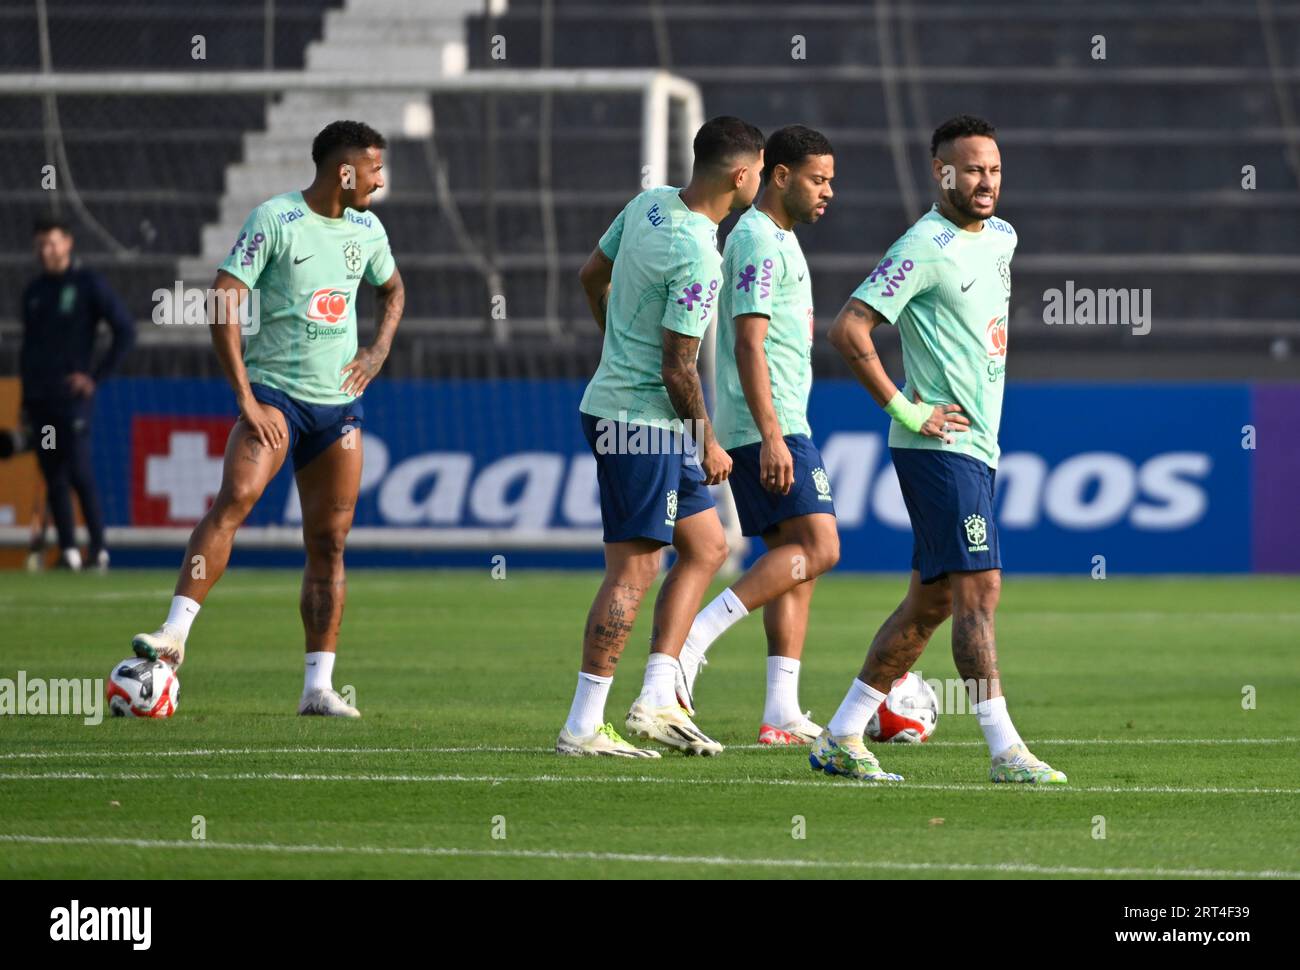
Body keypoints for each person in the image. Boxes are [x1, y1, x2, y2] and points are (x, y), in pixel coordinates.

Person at [815, 115, 1067, 784]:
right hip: (939, 448)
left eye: (994, 169)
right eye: (971, 169)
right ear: (941, 173)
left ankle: (841, 734)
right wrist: (906, 407)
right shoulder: (922, 246)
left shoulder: (1002, 238)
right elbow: (849, 328)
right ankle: (1005, 749)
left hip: (979, 447)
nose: (985, 182)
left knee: (929, 604)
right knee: (979, 587)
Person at [130, 120, 405, 718]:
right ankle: (174, 633)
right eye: (375, 168)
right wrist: (246, 399)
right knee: (237, 498)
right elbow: (224, 299)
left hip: (338, 410)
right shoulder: (275, 220)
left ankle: (317, 687)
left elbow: (394, 290)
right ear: (344, 171)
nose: (380, 181)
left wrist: (377, 351)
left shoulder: (368, 228)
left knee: (329, 543)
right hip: (276, 397)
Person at [557, 116, 765, 757]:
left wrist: (617, 341)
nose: (758, 179)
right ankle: (583, 724)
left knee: (706, 544)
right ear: (740, 175)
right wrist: (706, 441)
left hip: (636, 411)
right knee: (637, 567)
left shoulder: (647, 204)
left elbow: (593, 275)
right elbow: (678, 367)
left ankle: (656, 700)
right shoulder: (701, 253)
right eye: (758, 169)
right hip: (639, 425)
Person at [674, 125, 840, 746]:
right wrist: (771, 435)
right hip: (769, 426)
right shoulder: (755, 241)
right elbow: (748, 342)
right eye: (818, 180)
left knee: (798, 564)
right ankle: (695, 638)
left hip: (780, 420)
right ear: (780, 175)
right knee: (822, 547)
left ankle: (781, 711)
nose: (828, 193)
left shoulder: (778, 239)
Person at [19, 218, 135, 572]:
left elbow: (125, 331)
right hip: (43, 402)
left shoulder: (87, 284)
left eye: (53, 243)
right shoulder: (35, 292)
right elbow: (29, 349)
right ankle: (69, 551)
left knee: (80, 470)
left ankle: (98, 549)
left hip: (73, 401)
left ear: (68, 243)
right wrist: (26, 399)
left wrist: (94, 377)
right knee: (53, 471)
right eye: (41, 244)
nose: (46, 251)